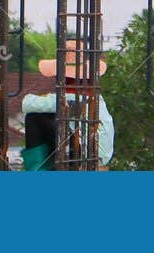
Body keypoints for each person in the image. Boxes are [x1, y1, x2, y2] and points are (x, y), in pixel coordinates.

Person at [20, 40, 114, 169]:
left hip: (84, 152)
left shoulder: (71, 95)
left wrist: (45, 98)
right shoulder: (95, 97)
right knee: (55, 116)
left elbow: (27, 104)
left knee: (34, 117)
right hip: (99, 153)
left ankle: (38, 168)